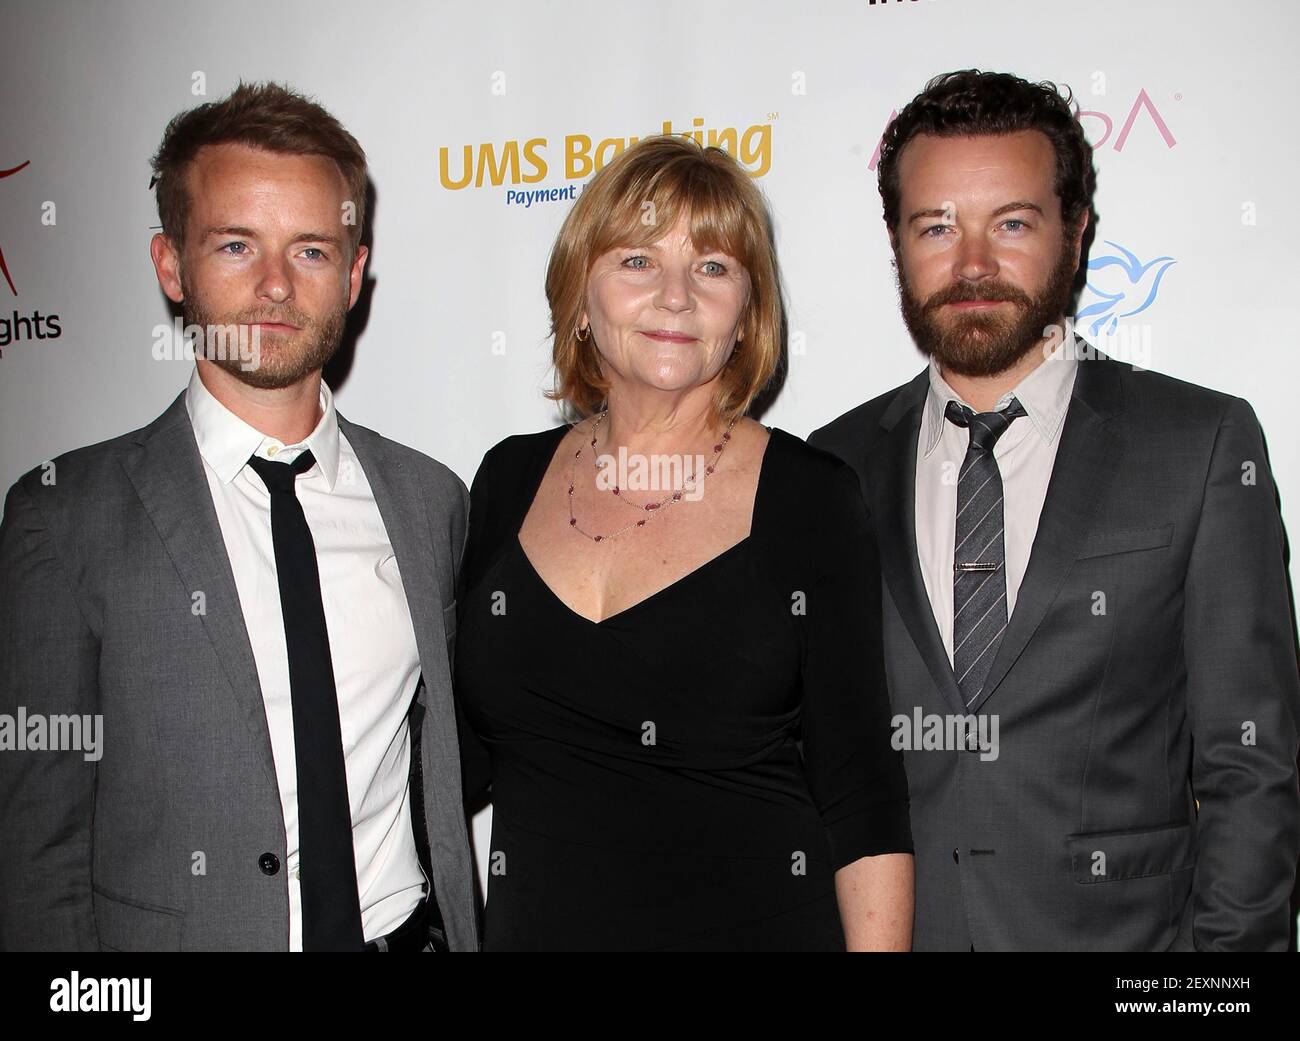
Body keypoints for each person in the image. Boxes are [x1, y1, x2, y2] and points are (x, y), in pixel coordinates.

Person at [809, 68, 1300, 951]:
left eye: (1011, 223)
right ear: (895, 243)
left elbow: (1249, 762)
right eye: (935, 226)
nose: (971, 266)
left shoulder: (1199, 443)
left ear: (1076, 234)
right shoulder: (829, 467)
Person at [0, 81, 478, 951]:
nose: (274, 287)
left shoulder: (429, 499)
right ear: (171, 266)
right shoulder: (63, 517)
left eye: (311, 251)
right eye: (234, 245)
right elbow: (39, 852)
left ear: (354, 272)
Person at [455, 134, 913, 951]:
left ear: (746, 317)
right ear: (580, 297)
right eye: (636, 260)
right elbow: (453, 760)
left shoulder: (810, 495)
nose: (675, 296)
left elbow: (861, 796)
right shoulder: (506, 478)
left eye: (712, 266)